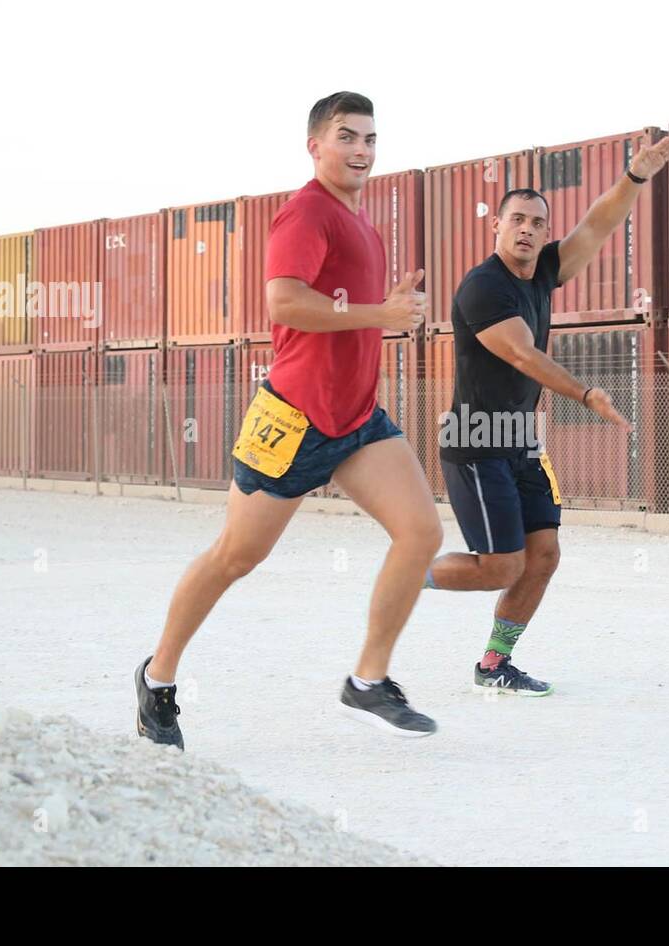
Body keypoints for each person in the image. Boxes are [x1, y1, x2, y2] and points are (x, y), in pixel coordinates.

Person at [135, 92, 443, 747]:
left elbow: (347, 316)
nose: (361, 150)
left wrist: (389, 310)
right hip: (294, 420)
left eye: (370, 138)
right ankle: (158, 680)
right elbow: (283, 301)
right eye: (346, 137)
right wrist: (376, 315)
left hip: (358, 420)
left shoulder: (365, 226)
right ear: (315, 146)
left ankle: (367, 681)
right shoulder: (306, 212)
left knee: (419, 533)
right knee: (234, 558)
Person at [426, 135, 669, 695]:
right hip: (475, 444)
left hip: (521, 444)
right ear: (496, 226)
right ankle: (404, 577)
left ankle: (493, 665)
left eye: (537, 223)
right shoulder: (483, 287)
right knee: (500, 566)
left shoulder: (542, 272)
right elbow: (521, 353)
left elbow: (596, 227)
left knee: (542, 555)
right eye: (517, 219)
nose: (527, 230)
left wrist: (634, 177)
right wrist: (586, 394)